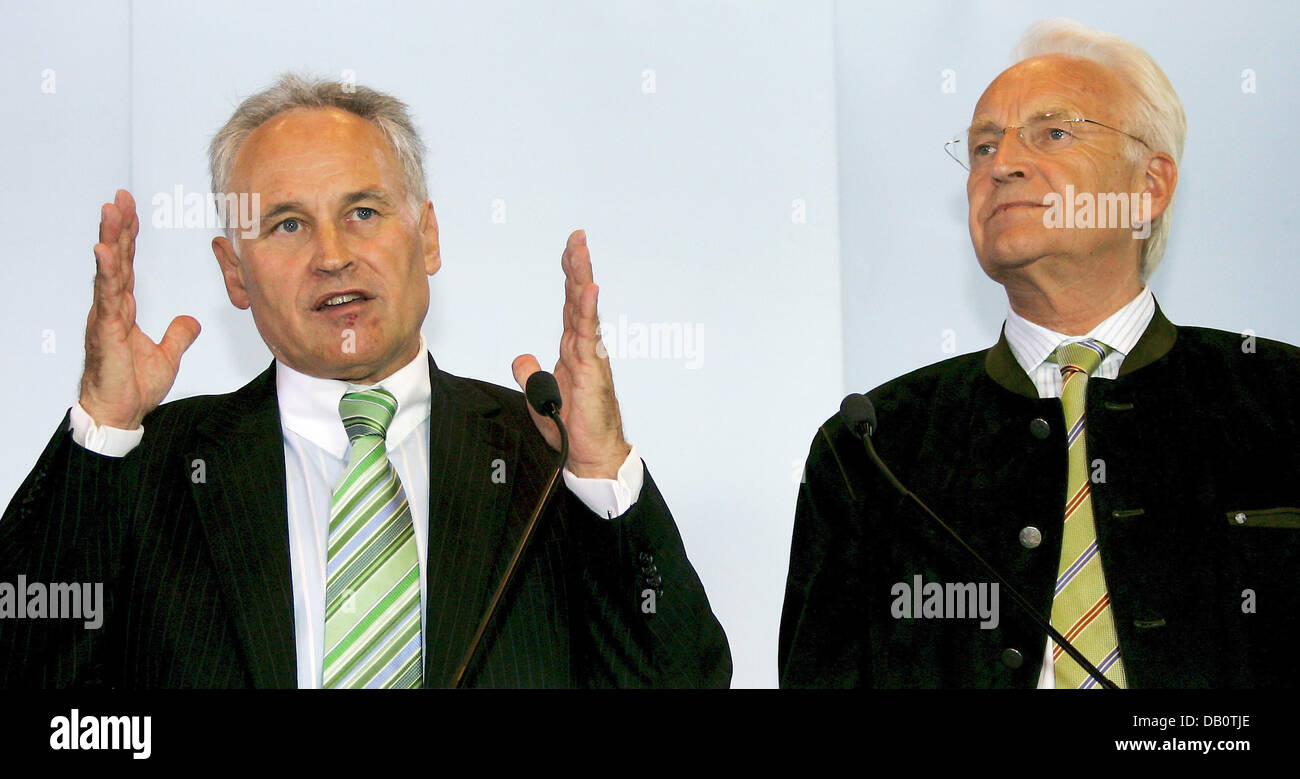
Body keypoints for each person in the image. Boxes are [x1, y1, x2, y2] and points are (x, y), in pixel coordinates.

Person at [0, 74, 731, 689]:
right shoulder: (148, 465)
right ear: (233, 272)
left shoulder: (545, 459)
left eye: (363, 211)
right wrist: (101, 429)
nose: (333, 255)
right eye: (287, 224)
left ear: (428, 235)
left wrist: (601, 471)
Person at [779, 19, 1300, 688]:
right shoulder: (875, 446)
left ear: (1150, 185)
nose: (1003, 164)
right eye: (983, 147)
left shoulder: (1282, 402)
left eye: (1053, 133)